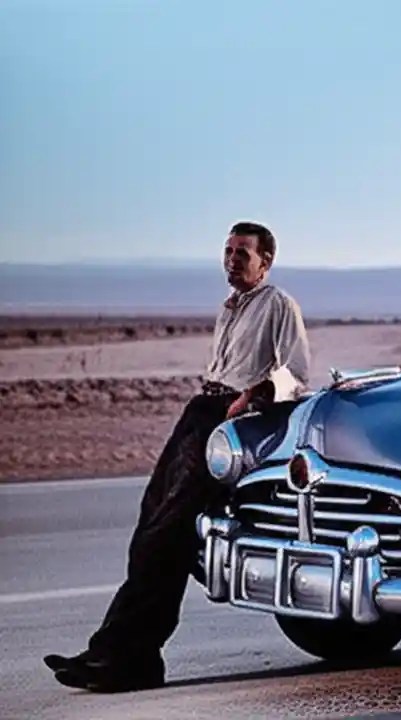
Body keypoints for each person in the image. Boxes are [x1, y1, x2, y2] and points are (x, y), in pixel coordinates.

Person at [44, 221, 311, 693]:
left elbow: (297, 373)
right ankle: (119, 653)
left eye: (242, 253)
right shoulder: (229, 308)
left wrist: (252, 395)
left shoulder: (278, 305)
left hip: (231, 424)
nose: (231, 259)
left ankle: (127, 657)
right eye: (227, 251)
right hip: (202, 411)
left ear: (265, 262)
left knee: (168, 533)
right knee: (150, 525)